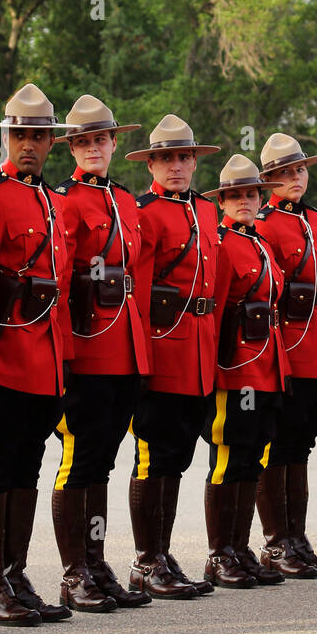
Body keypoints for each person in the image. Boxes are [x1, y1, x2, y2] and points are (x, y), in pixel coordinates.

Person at [0, 83, 76, 620]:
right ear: (5, 137)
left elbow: (58, 288)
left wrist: (64, 364)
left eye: (39, 136)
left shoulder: (55, 202)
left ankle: (14, 574)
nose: (30, 144)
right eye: (21, 134)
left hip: (46, 361)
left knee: (27, 471)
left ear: (52, 143)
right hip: (2, 358)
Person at [52, 95, 151, 609]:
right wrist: (64, 353)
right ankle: (74, 572)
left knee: (104, 463)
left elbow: (138, 276)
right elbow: (62, 281)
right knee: (79, 459)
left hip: (124, 349)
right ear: (72, 147)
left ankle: (95, 560)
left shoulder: (126, 200)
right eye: (83, 141)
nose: (93, 148)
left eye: (101, 139)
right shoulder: (65, 200)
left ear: (115, 142)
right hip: (87, 348)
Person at [124, 115, 222, 598]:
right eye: (167, 158)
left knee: (179, 456)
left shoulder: (206, 211)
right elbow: (139, 292)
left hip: (200, 350)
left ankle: (161, 553)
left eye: (184, 157)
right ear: (152, 164)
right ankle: (145, 560)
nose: (178, 166)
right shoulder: (145, 213)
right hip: (163, 347)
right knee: (154, 457)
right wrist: (141, 358)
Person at [201, 156, 291, 589]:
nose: (244, 201)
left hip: (268, 366)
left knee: (252, 458)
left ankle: (239, 548)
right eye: (235, 195)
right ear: (221, 200)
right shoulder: (220, 244)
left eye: (251, 194)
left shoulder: (261, 243)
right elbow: (215, 311)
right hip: (234, 369)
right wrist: (212, 372)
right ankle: (220, 554)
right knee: (228, 459)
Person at [254, 132, 317, 579]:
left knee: (302, 443)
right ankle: (275, 541)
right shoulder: (265, 224)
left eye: (299, 169)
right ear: (268, 182)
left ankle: (297, 537)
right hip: (285, 345)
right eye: (284, 173)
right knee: (278, 443)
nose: (295, 178)